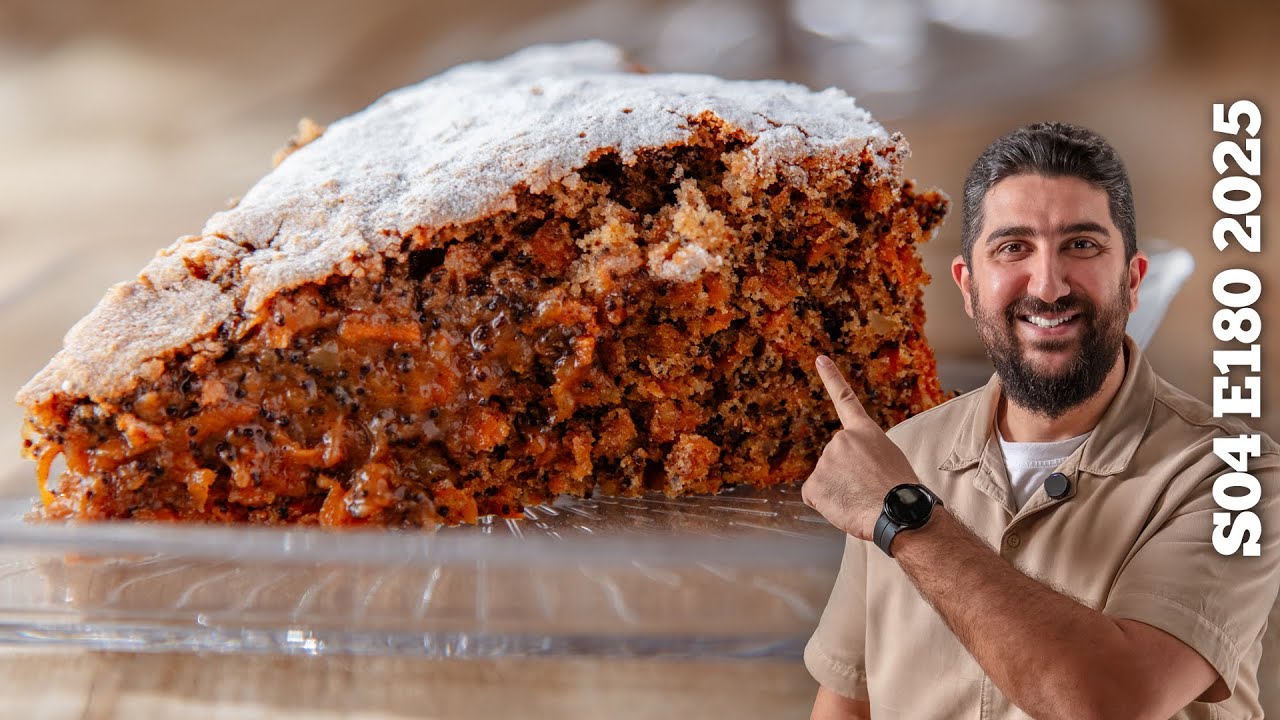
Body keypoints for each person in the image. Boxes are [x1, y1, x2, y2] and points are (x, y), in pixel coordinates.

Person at [801, 122, 1280, 719]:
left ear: (1133, 281)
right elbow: (848, 703)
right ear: (968, 286)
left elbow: (1107, 704)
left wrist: (908, 517)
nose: (1049, 285)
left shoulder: (1235, 475)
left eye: (1081, 245)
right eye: (1012, 248)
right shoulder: (903, 455)